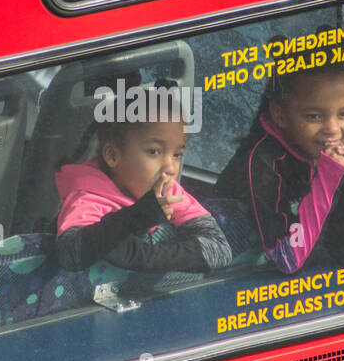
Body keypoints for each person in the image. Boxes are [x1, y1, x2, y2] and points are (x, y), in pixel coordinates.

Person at [215, 47, 344, 275]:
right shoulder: (262, 165)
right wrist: (328, 178)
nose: (333, 129)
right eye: (314, 116)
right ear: (280, 115)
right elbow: (288, 258)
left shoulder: (329, 157)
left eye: (343, 114)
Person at [54, 86, 231, 274]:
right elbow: (70, 254)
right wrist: (135, 217)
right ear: (113, 155)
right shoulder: (89, 197)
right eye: (154, 152)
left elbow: (219, 249)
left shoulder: (167, 191)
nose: (171, 168)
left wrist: (144, 257)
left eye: (177, 154)